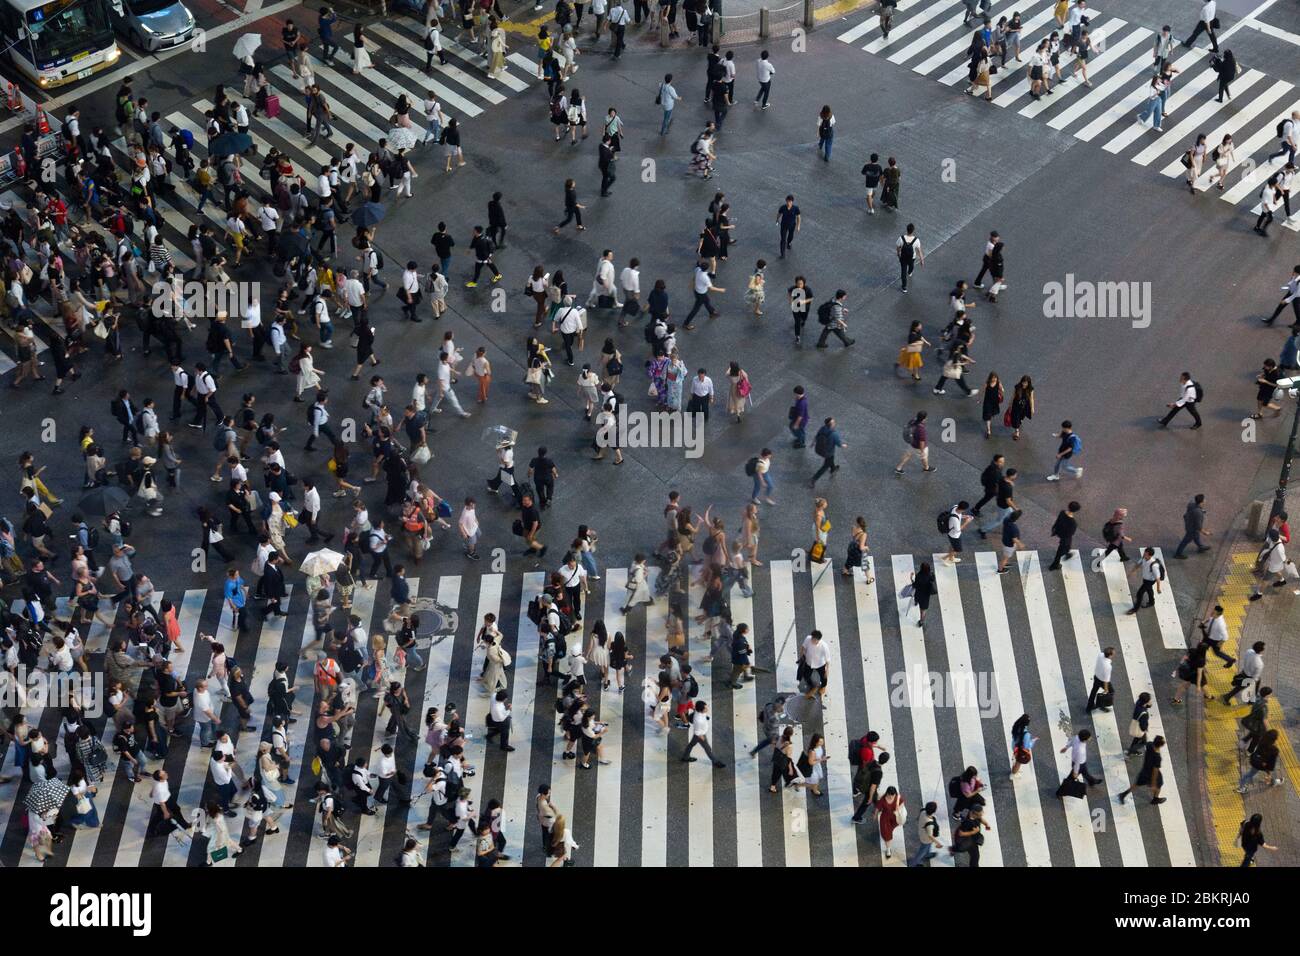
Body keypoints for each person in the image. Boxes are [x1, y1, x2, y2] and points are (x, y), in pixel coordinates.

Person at [1118, 736, 1166, 805]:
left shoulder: (1149, 745)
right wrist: (1153, 784)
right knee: (1159, 784)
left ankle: (1123, 794)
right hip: (1151, 775)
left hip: (1144, 771)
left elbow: (1146, 744)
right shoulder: (1157, 757)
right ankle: (1155, 799)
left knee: (1136, 784)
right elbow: (1155, 771)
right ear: (1161, 745)